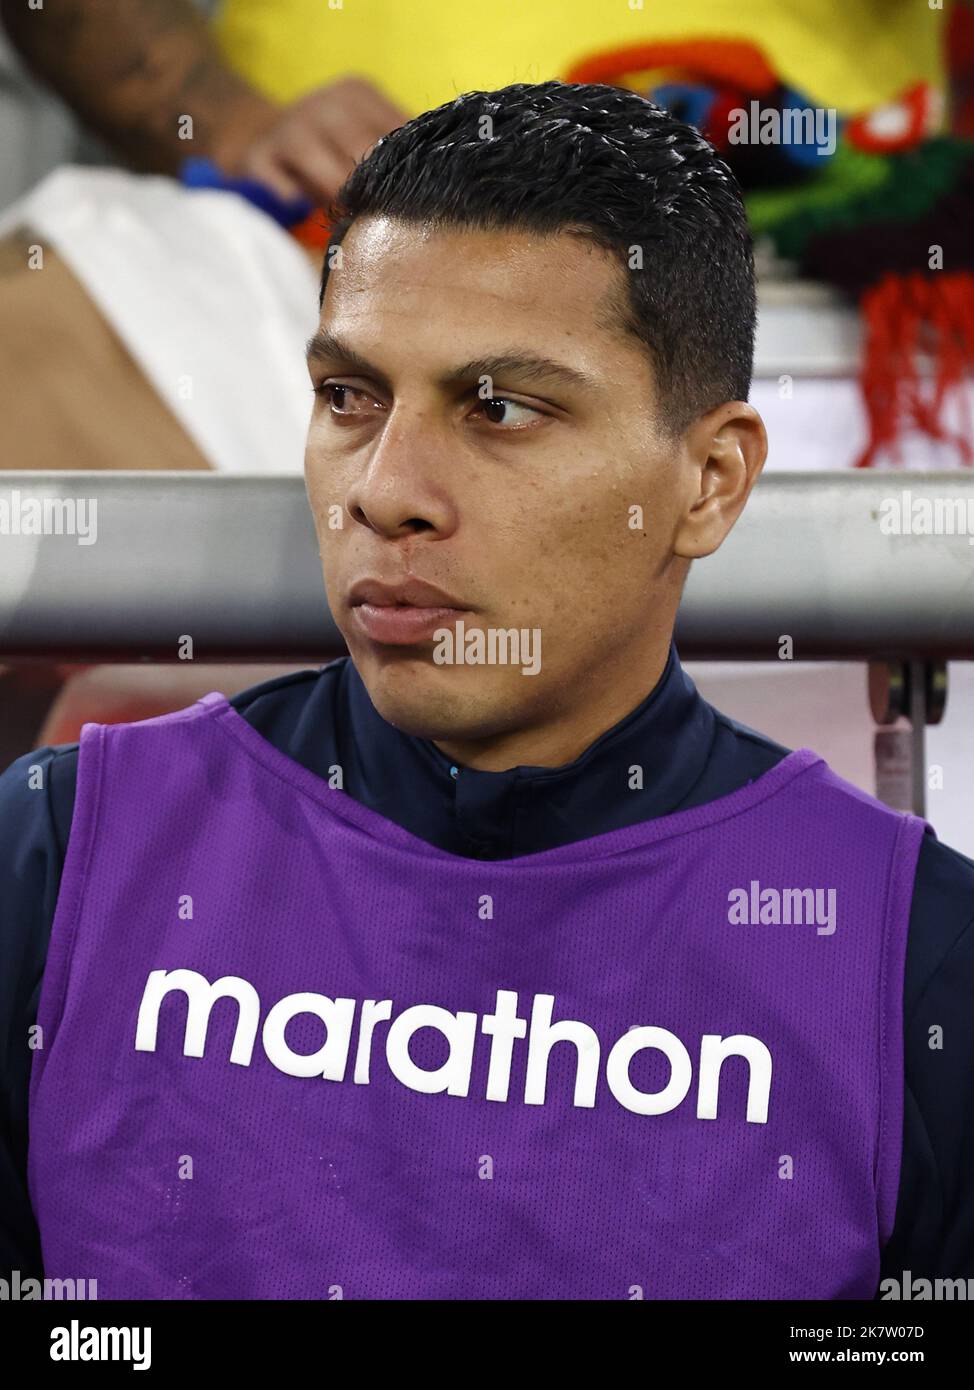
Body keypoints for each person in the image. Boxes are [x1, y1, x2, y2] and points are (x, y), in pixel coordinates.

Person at [2, 81, 973, 1300]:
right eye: (348, 397)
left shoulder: (911, 961)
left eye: (500, 407)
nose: (385, 489)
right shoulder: (56, 851)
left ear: (710, 481)